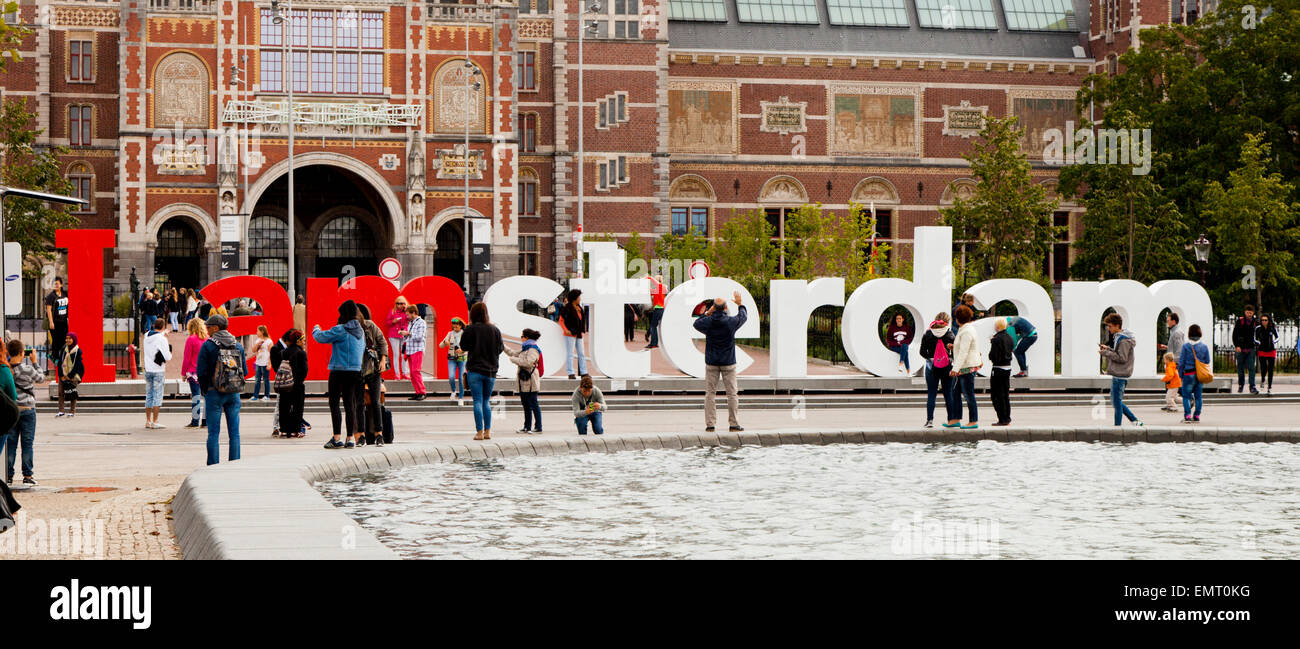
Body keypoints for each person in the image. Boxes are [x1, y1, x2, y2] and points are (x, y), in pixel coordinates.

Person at [693, 291, 747, 433]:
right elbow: (743, 317)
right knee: (732, 394)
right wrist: (740, 304)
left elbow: (696, 323)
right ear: (725, 308)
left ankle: (710, 424)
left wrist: (707, 312)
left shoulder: (708, 322)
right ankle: (734, 423)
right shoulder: (731, 322)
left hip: (711, 362)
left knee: (710, 393)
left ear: (713, 308)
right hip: (728, 361)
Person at [313, 301, 364, 450]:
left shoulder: (341, 329)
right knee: (350, 404)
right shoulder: (360, 330)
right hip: (355, 371)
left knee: (334, 403)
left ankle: (336, 437)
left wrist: (316, 329)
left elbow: (320, 337)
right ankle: (350, 438)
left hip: (339, 370)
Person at [195, 314, 245, 465]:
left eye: (208, 327)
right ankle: (235, 463)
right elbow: (245, 371)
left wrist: (206, 390)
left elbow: (201, 372)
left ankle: (213, 465)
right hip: (233, 392)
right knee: (234, 433)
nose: (206, 330)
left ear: (216, 328)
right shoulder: (237, 345)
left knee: (213, 433)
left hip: (214, 392)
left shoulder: (208, 345)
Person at [459, 302, 504, 440]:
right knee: (486, 401)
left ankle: (479, 432)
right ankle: (488, 431)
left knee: (477, 401)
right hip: (491, 371)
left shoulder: (470, 329)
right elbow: (500, 349)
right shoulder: (494, 330)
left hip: (474, 370)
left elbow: (463, 346)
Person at [6, 340, 44, 486]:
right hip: (28, 409)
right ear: (23, 353)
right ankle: (27, 475)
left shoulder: (7, 369)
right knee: (27, 444)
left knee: (11, 443)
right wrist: (35, 362)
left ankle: (8, 474)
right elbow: (40, 378)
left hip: (13, 410)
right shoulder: (27, 369)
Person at [1099, 312, 1143, 427]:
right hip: (1119, 374)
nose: (1108, 329)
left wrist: (1105, 353)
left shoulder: (1123, 341)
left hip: (1120, 375)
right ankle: (1135, 421)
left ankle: (1118, 426)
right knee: (1116, 401)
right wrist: (1108, 348)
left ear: (1117, 325)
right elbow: (1119, 352)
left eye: (1110, 326)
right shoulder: (1122, 338)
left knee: (1116, 402)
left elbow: (1122, 358)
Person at [355, 304, 389, 447]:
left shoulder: (370, 326)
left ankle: (379, 434)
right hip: (357, 370)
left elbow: (382, 342)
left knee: (375, 402)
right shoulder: (349, 330)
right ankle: (361, 435)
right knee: (359, 403)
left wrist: (383, 359)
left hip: (373, 369)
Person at [918, 313, 956, 428]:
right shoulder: (950, 335)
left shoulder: (928, 334)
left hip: (931, 367)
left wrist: (932, 358)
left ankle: (930, 420)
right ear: (947, 321)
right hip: (947, 367)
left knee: (931, 394)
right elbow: (955, 352)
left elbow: (922, 352)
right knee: (948, 393)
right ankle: (951, 419)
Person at [945, 305, 981, 429]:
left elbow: (964, 352)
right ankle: (955, 418)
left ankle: (973, 421)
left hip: (966, 368)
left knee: (968, 395)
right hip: (963, 367)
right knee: (955, 393)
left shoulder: (966, 331)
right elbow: (961, 347)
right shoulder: (965, 329)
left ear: (958, 318)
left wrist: (955, 369)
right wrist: (953, 346)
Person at [507, 328, 543, 434]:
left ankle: (538, 426)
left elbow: (528, 362)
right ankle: (527, 426)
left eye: (522, 336)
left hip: (531, 381)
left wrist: (514, 360)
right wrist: (502, 345)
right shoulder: (525, 348)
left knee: (533, 403)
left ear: (526, 338)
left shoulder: (533, 349)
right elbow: (512, 352)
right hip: (524, 381)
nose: (521, 338)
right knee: (526, 404)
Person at [276, 330, 309, 438]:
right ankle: (296, 430)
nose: (304, 342)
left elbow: (279, 367)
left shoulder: (283, 352)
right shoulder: (301, 353)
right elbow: (304, 370)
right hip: (297, 385)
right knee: (297, 407)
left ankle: (284, 430)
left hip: (285, 384)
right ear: (298, 341)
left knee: (284, 406)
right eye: (303, 340)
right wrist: (298, 380)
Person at [141, 316, 172, 429]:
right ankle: (155, 421)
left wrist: (163, 333)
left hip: (148, 369)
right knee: (157, 395)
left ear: (154, 325)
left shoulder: (146, 335)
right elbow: (167, 356)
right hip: (158, 370)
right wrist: (170, 349)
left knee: (149, 394)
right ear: (163, 326)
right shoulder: (162, 339)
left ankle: (148, 421)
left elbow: (156, 336)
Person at [1178, 324, 1211, 423]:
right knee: (1198, 396)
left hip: (1188, 374)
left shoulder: (1186, 346)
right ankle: (1196, 415)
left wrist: (1180, 375)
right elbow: (1207, 360)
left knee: (1186, 396)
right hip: (1200, 375)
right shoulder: (1204, 347)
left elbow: (1181, 362)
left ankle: (1187, 415)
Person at [181, 317, 208, 429]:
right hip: (206, 372)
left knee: (196, 397)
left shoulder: (191, 339)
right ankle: (205, 421)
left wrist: (183, 373)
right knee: (206, 397)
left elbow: (187, 358)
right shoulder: (207, 339)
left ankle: (195, 421)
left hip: (193, 372)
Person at [45, 277, 69, 396]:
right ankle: (54, 355)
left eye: (57, 284)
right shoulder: (51, 296)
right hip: (55, 322)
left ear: (61, 285)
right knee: (56, 340)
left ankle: (60, 356)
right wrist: (51, 322)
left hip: (64, 321)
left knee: (64, 340)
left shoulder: (65, 294)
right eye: (54, 284)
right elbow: (48, 310)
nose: (55, 285)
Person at [989, 318, 1015, 426]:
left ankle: (1002, 418)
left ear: (998, 326)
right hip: (1007, 368)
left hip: (998, 368)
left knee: (996, 395)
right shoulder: (1010, 338)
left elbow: (992, 356)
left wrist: (992, 342)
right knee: (1005, 394)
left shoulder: (996, 339)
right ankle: (1007, 417)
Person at [559, 289, 588, 378]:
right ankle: (570, 372)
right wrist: (565, 330)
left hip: (578, 333)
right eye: (578, 297)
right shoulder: (566, 308)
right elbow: (561, 320)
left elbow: (581, 320)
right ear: (574, 298)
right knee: (570, 353)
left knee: (581, 353)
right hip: (570, 334)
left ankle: (584, 372)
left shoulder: (580, 308)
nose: (580, 298)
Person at [404, 306, 430, 401]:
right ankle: (418, 392)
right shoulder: (411, 323)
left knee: (416, 371)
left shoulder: (421, 322)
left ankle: (422, 392)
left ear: (413, 312)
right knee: (412, 373)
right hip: (411, 349)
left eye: (408, 314)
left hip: (417, 349)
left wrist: (408, 334)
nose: (407, 316)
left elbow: (419, 337)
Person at [54, 332, 83, 418]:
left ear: (73, 340)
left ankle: (72, 411)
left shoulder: (78, 351)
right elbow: (60, 363)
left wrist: (69, 376)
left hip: (72, 376)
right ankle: (61, 410)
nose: (68, 340)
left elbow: (78, 365)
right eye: (66, 338)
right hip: (63, 375)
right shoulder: (64, 350)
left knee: (72, 393)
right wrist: (61, 375)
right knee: (60, 392)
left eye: (70, 338)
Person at [1231, 305, 1258, 394]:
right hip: (1241, 348)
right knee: (1240, 368)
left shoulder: (1255, 322)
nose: (1249, 314)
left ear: (1253, 313)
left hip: (1251, 348)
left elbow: (1258, 335)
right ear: (1245, 312)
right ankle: (1241, 385)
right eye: (1247, 312)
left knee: (1251, 368)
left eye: (1250, 313)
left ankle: (1252, 386)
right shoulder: (1240, 321)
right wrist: (1237, 345)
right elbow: (1235, 334)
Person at [437, 316, 464, 404]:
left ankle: (461, 398)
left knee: (461, 378)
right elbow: (440, 346)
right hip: (452, 358)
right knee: (451, 377)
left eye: (456, 326)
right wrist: (445, 342)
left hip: (462, 358)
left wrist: (463, 350)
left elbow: (469, 346)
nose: (455, 328)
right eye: (453, 326)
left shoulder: (464, 333)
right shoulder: (450, 334)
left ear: (460, 326)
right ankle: (453, 391)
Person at [386, 296, 410, 379]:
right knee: (396, 354)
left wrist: (406, 310)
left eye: (401, 303)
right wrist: (393, 321)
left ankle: (405, 372)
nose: (399, 305)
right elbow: (387, 323)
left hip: (403, 335)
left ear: (404, 304)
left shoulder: (407, 312)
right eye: (398, 303)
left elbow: (411, 319)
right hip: (394, 336)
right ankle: (397, 373)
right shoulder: (392, 311)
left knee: (404, 354)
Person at [1255, 314, 1278, 395]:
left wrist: (1273, 342)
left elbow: (1277, 337)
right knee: (1263, 368)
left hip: (1271, 350)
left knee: (1271, 369)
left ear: (1268, 321)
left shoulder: (1272, 328)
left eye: (1265, 320)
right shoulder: (1258, 328)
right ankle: (1263, 379)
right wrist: (1259, 343)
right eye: (1262, 320)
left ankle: (1270, 387)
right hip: (1262, 351)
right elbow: (1254, 338)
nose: (1264, 322)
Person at [249, 325, 273, 401]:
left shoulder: (269, 341)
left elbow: (271, 353)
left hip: (265, 363)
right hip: (258, 363)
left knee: (266, 380)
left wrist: (269, 364)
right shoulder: (258, 340)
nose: (256, 332)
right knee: (257, 380)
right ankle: (255, 396)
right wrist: (258, 344)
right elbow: (253, 350)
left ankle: (267, 396)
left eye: (258, 331)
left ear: (262, 331)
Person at [646, 275, 666, 349]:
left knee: (653, 326)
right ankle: (654, 343)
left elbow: (652, 289)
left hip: (658, 309)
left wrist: (649, 277)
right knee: (654, 326)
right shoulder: (659, 289)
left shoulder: (660, 286)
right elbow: (650, 291)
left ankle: (654, 343)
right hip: (660, 309)